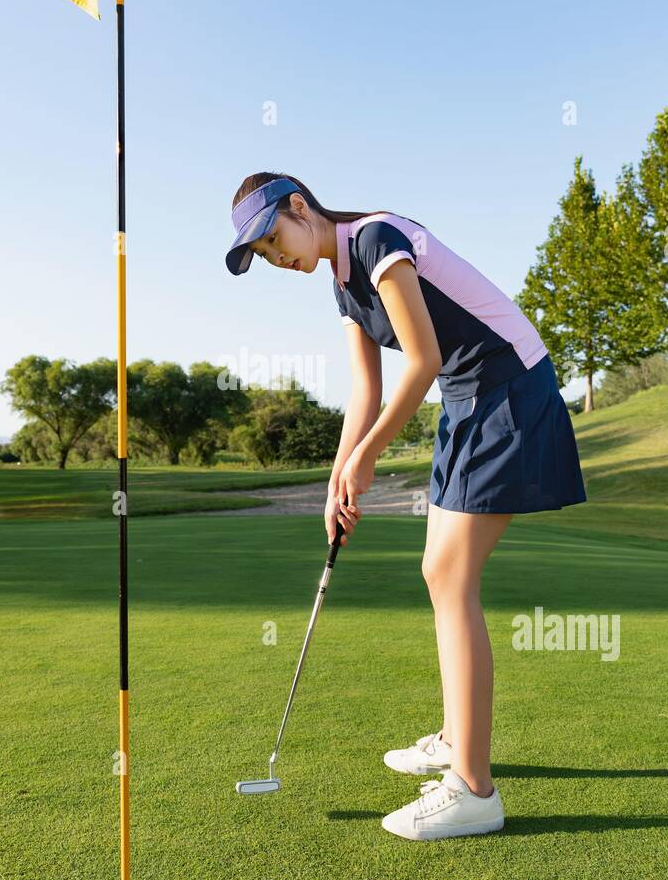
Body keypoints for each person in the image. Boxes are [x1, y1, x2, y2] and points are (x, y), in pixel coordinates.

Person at [225, 172, 587, 841]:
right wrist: (337, 479)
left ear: (300, 207)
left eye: (274, 240)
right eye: (265, 254)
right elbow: (365, 392)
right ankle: (457, 739)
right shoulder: (342, 284)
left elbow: (420, 361)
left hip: (508, 387)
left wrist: (368, 457)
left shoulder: (375, 241)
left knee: (451, 577)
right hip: (467, 398)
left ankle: (474, 791)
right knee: (439, 574)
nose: (278, 258)